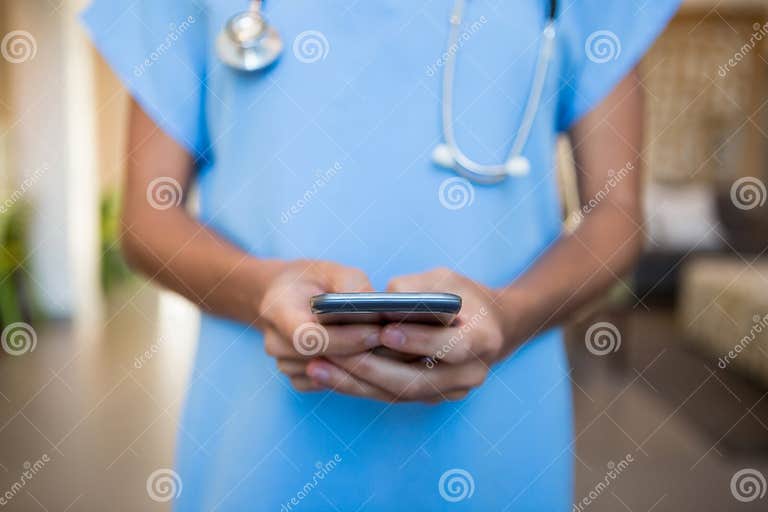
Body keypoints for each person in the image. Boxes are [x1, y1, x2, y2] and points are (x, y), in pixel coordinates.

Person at [82, 0, 681, 509]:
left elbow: (615, 215)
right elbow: (147, 217)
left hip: (495, 441)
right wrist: (259, 291)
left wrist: (511, 314)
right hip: (260, 449)